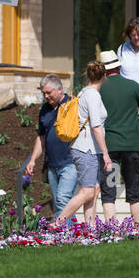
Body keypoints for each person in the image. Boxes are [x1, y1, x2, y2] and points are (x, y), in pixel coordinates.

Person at [98, 52, 139, 222]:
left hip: (110, 147)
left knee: (109, 189)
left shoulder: (99, 88)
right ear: (119, 66)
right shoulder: (133, 86)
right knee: (134, 188)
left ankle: (111, 227)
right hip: (131, 146)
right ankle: (137, 226)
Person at [57, 61, 112, 223]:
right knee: (88, 191)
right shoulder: (92, 95)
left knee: (93, 189)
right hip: (86, 148)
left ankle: (90, 227)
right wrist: (106, 154)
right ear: (104, 76)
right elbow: (96, 126)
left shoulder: (83, 92)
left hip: (85, 148)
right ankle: (57, 223)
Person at [25, 75, 77, 217]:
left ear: (59, 89)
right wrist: (33, 160)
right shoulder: (45, 110)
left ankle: (68, 233)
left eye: (49, 92)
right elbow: (41, 137)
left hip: (70, 162)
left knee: (63, 199)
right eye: (43, 93)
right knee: (59, 203)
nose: (46, 96)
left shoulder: (72, 104)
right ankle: (71, 233)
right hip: (52, 165)